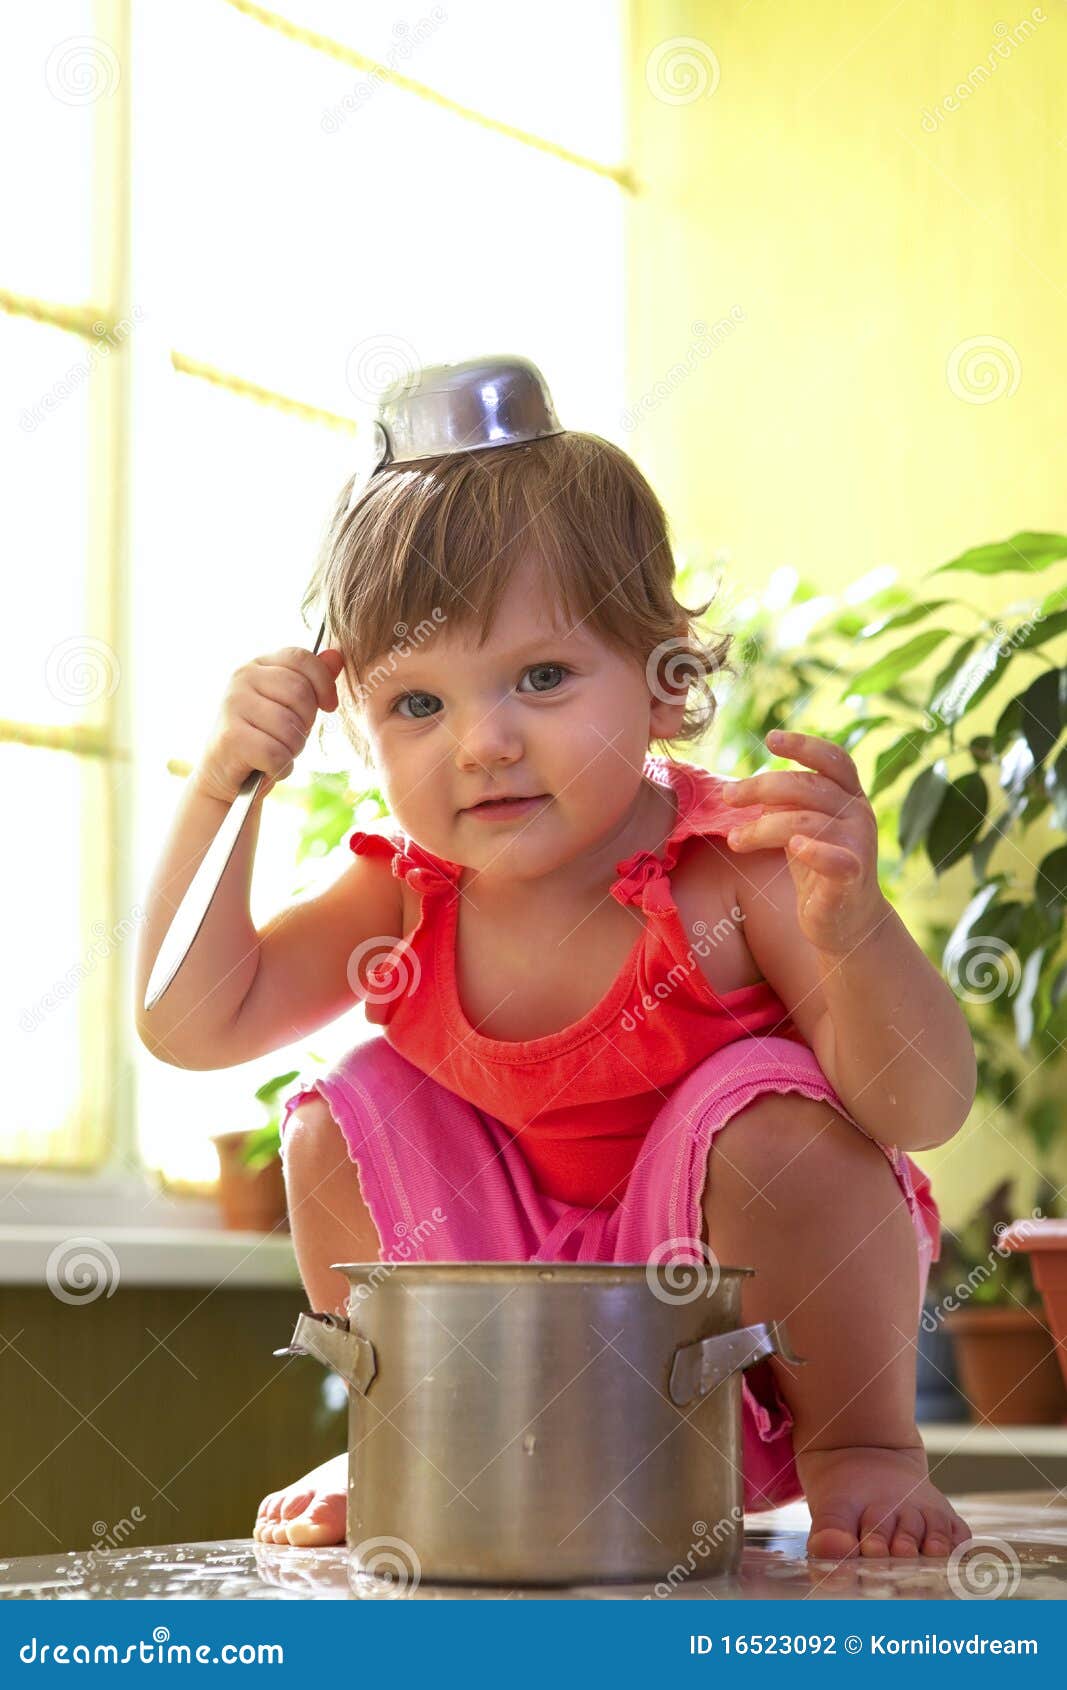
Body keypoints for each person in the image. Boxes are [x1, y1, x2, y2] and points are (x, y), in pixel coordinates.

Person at [136, 430, 976, 1561]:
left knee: (769, 1113)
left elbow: (916, 1112)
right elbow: (192, 1022)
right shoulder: (404, 891)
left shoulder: (734, 863)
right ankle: (403, 1427)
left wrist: (857, 927)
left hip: (732, 1351)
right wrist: (220, 786)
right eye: (418, 705)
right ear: (355, 726)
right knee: (346, 1104)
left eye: (540, 677)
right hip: (506, 1372)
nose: (483, 743)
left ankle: (861, 1448)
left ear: (665, 682)